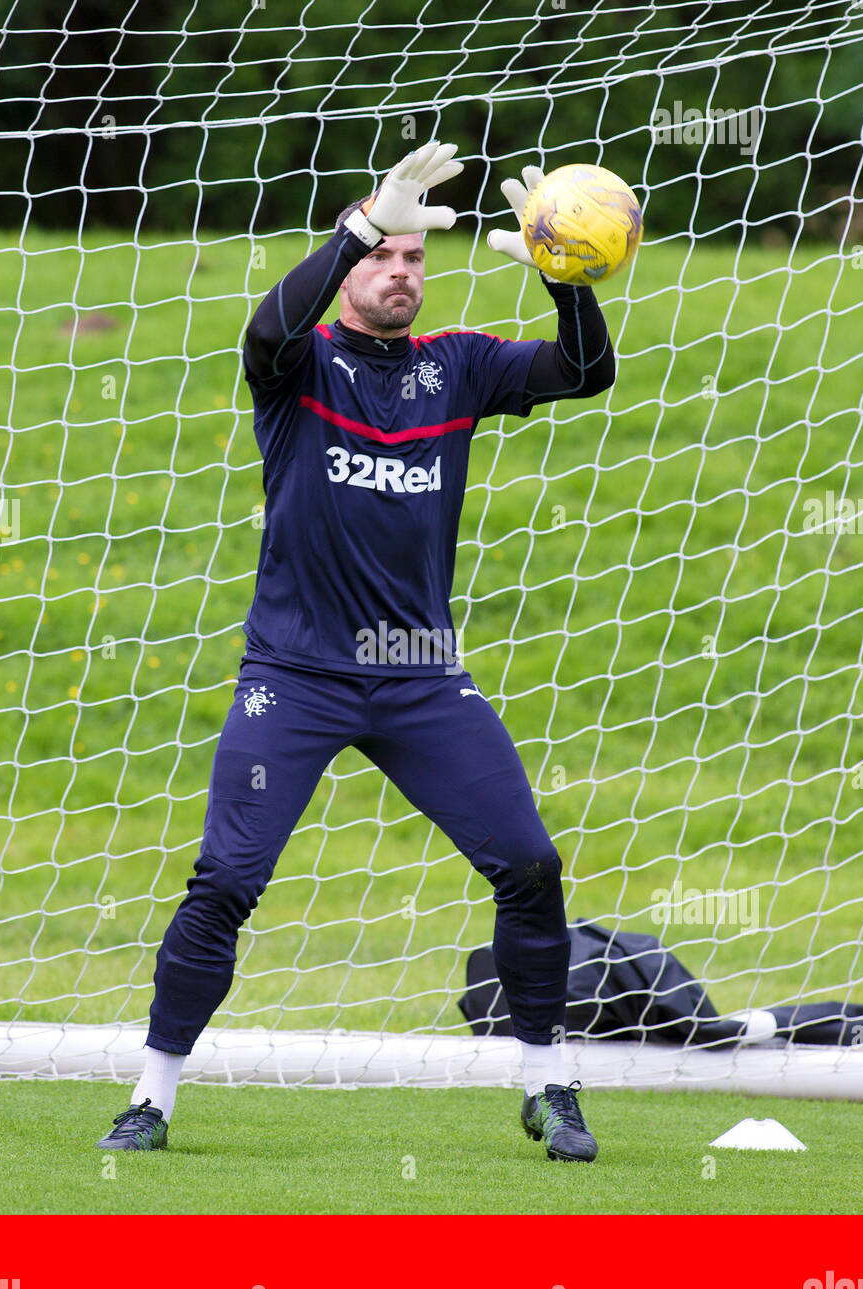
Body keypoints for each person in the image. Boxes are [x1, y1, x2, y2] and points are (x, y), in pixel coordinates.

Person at [98, 143, 616, 1162]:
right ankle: (151, 1098)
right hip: (293, 674)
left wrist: (567, 286)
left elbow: (584, 373)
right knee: (226, 879)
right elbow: (264, 327)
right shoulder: (299, 364)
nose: (401, 273)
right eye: (387, 256)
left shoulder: (456, 363)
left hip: (420, 671)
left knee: (528, 862)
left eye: (416, 260)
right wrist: (357, 228)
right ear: (356, 263)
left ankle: (548, 1082)